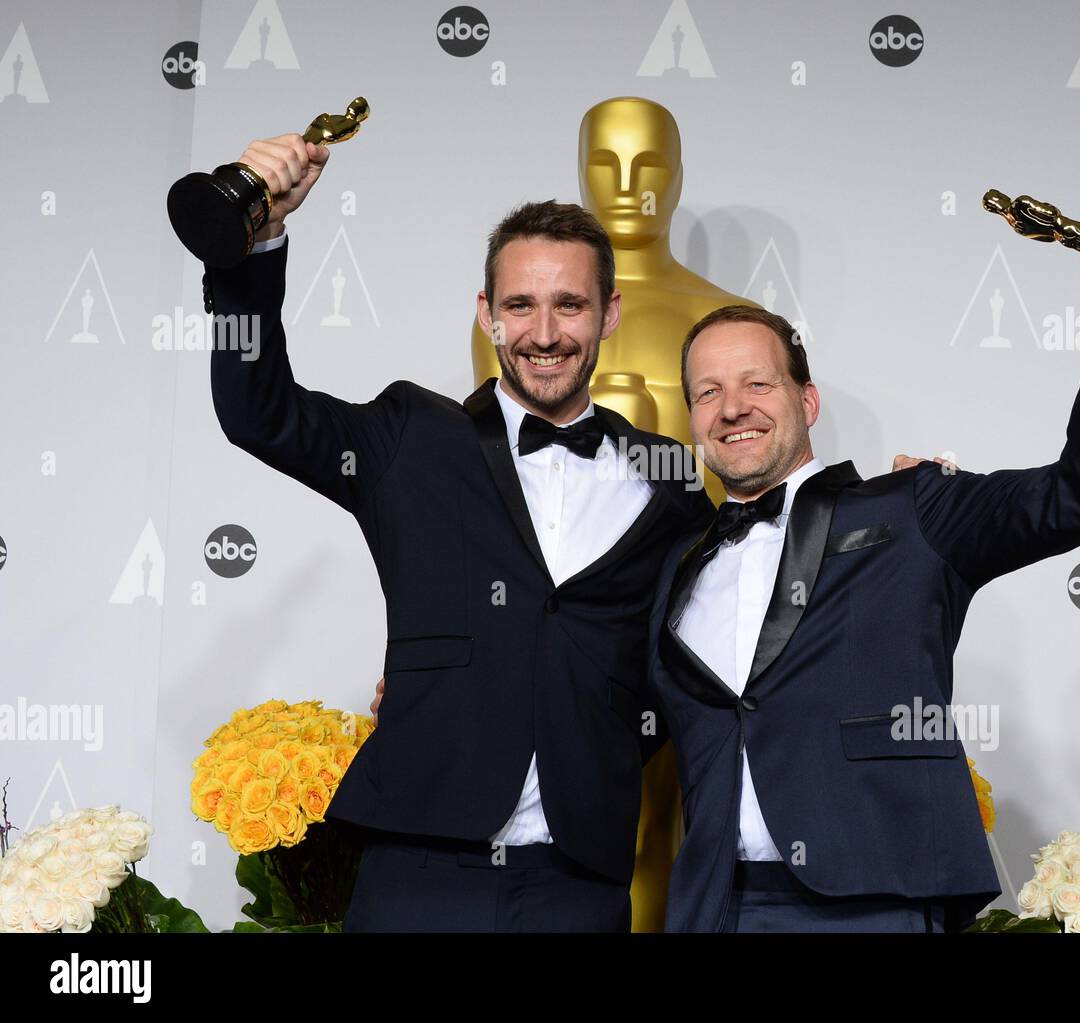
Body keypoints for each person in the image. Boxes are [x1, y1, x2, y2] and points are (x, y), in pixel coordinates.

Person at [203, 134, 717, 931]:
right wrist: (252, 246)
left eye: (570, 304)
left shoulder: (673, 481)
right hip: (419, 866)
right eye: (521, 304)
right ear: (487, 314)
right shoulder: (411, 435)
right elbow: (257, 412)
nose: (545, 332)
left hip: (578, 881)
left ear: (610, 312)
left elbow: (697, 652)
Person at [646, 218, 1080, 931]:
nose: (732, 406)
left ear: (808, 401)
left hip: (874, 905)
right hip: (715, 909)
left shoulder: (914, 508)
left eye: (756, 381)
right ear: (691, 420)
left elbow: (1077, 496)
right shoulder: (678, 572)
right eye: (707, 392)